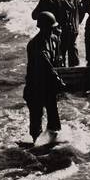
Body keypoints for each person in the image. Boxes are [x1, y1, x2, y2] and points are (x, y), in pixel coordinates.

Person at [24, 10, 66, 142]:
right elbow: (45, 63)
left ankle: (53, 143)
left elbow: (58, 62)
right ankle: (36, 144)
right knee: (36, 119)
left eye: (52, 28)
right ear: (41, 28)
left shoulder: (54, 39)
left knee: (54, 118)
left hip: (49, 86)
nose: (51, 31)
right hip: (35, 86)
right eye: (49, 28)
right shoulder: (34, 44)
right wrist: (57, 79)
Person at [55, 0, 80, 65]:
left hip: (67, 29)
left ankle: (65, 70)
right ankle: (76, 68)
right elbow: (80, 10)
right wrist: (78, 22)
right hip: (75, 27)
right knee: (73, 48)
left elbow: (68, 10)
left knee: (62, 50)